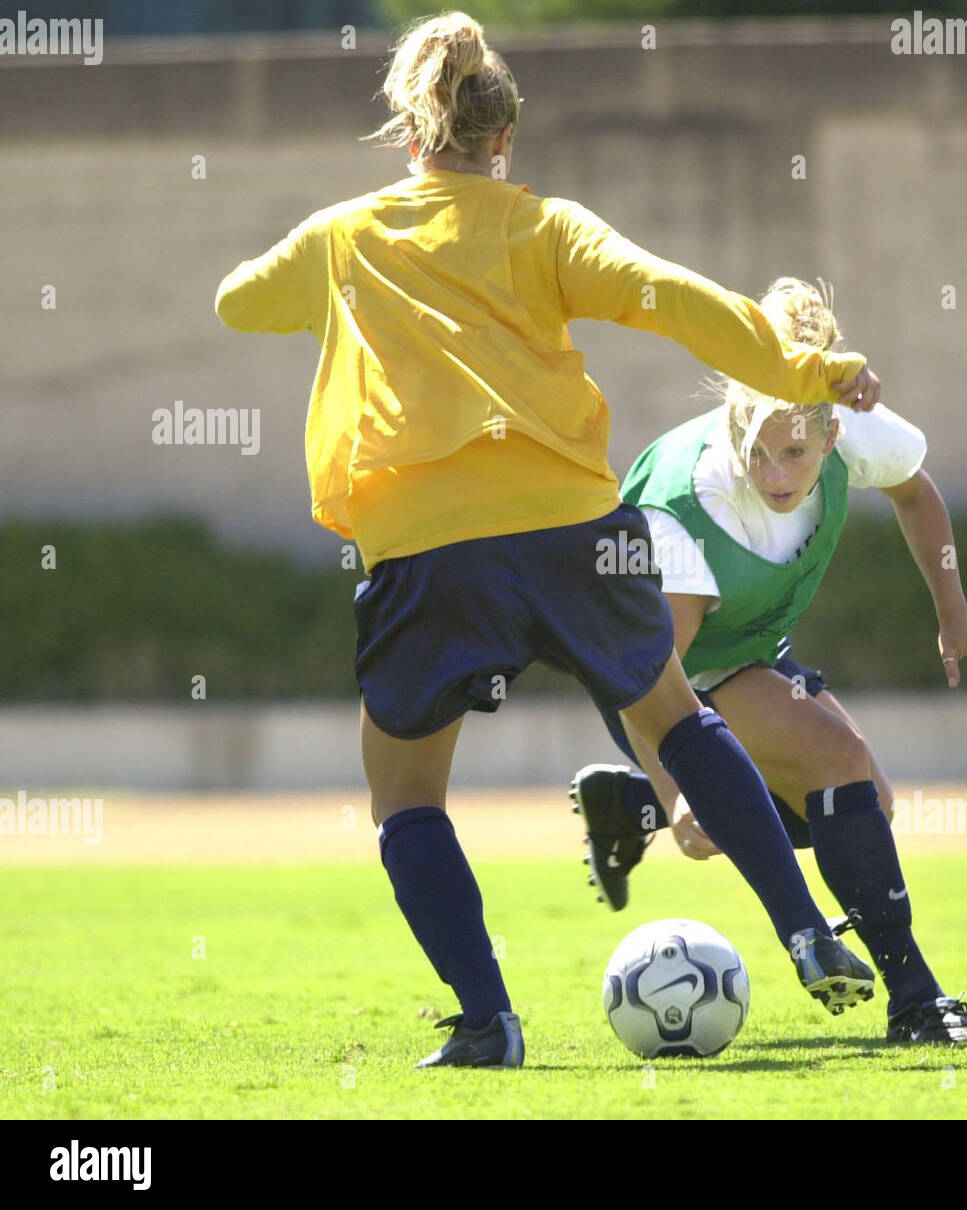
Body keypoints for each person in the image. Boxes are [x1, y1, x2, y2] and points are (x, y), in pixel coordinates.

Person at [214, 12, 882, 1069]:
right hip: (577, 529)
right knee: (672, 714)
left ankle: (490, 1023)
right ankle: (803, 925)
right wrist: (808, 371)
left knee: (404, 797)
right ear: (502, 140)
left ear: (407, 130)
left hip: (426, 549)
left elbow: (234, 302)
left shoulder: (343, 235)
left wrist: (326, 282)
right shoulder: (545, 227)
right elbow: (671, 295)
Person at [568, 277, 967, 1045]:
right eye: (758, 452)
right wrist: (678, 791)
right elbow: (649, 683)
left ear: (832, 437)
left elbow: (918, 494)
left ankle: (627, 805)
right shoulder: (689, 505)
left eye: (795, 454)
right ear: (733, 426)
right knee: (839, 760)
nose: (775, 474)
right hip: (656, 678)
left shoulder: (851, 421)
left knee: (863, 802)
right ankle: (916, 999)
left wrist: (956, 618)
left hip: (743, 655)